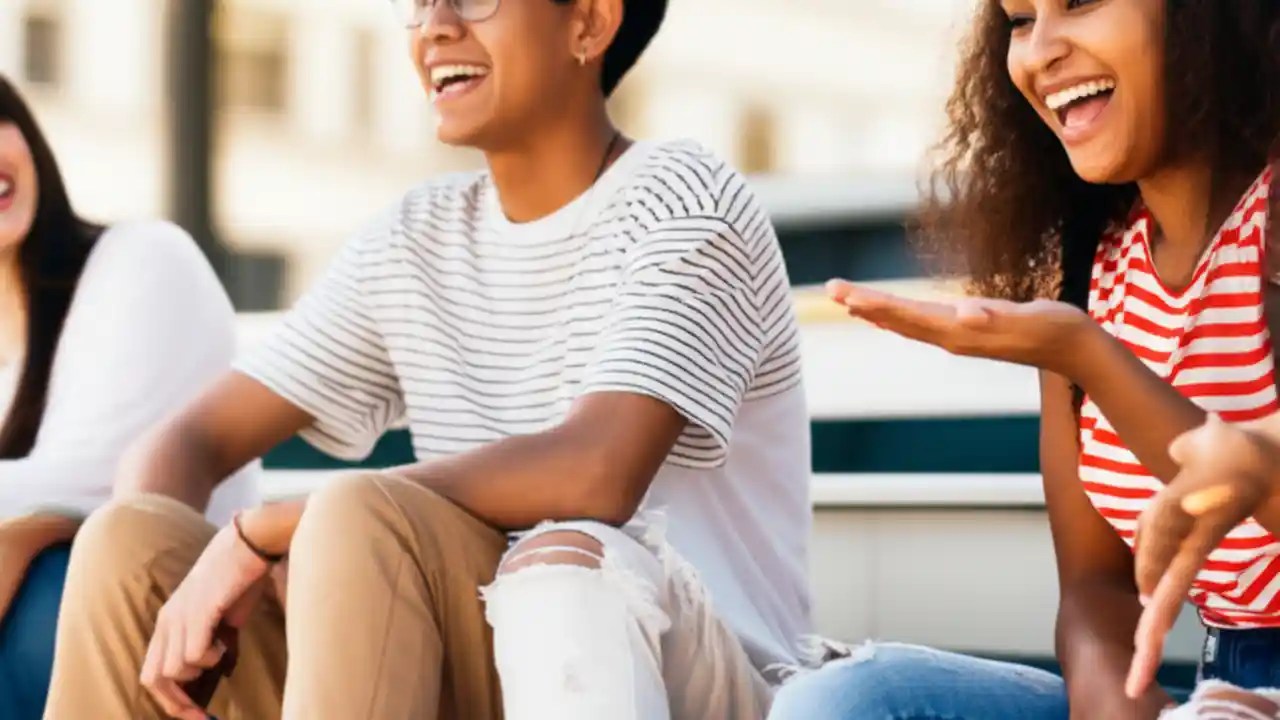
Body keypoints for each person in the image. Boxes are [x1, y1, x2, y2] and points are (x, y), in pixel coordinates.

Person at [42, 1, 812, 718]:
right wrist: (190, 604)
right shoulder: (417, 236)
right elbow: (186, 444)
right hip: (462, 652)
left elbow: (598, 472)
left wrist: (269, 532)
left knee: (360, 514)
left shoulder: (687, 198)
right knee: (129, 544)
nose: (434, 27)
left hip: (678, 671)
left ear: (589, 20)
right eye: (420, 0)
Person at [768, 0, 1280, 718]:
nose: (1040, 52)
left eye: (1080, 4)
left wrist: (1089, 356)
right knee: (850, 700)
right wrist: (1119, 705)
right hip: (1211, 686)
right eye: (1017, 19)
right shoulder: (1089, 271)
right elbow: (1096, 590)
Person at [0, 76, 256, 719]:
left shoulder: (144, 260)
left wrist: (24, 534)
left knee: (57, 586)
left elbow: (112, 487)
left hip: (183, 645)